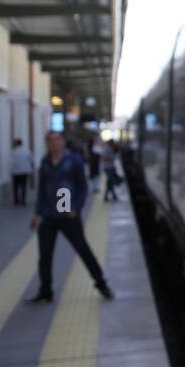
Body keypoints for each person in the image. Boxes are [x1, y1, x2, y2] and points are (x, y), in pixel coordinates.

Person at [27, 130, 113, 304]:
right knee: (44, 255)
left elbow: (83, 187)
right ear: (46, 143)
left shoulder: (73, 160)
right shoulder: (45, 162)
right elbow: (42, 190)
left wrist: (76, 207)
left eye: (57, 139)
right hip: (49, 215)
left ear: (63, 142)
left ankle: (101, 283)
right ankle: (45, 290)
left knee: (83, 250)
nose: (54, 143)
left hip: (68, 214)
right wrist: (36, 214)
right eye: (50, 140)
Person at [9, 138, 34, 206]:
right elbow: (31, 160)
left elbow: (12, 162)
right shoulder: (27, 151)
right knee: (23, 186)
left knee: (16, 187)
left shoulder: (14, 151)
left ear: (16, 144)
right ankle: (23, 200)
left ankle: (16, 200)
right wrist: (31, 170)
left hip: (16, 171)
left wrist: (11, 171)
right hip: (24, 171)